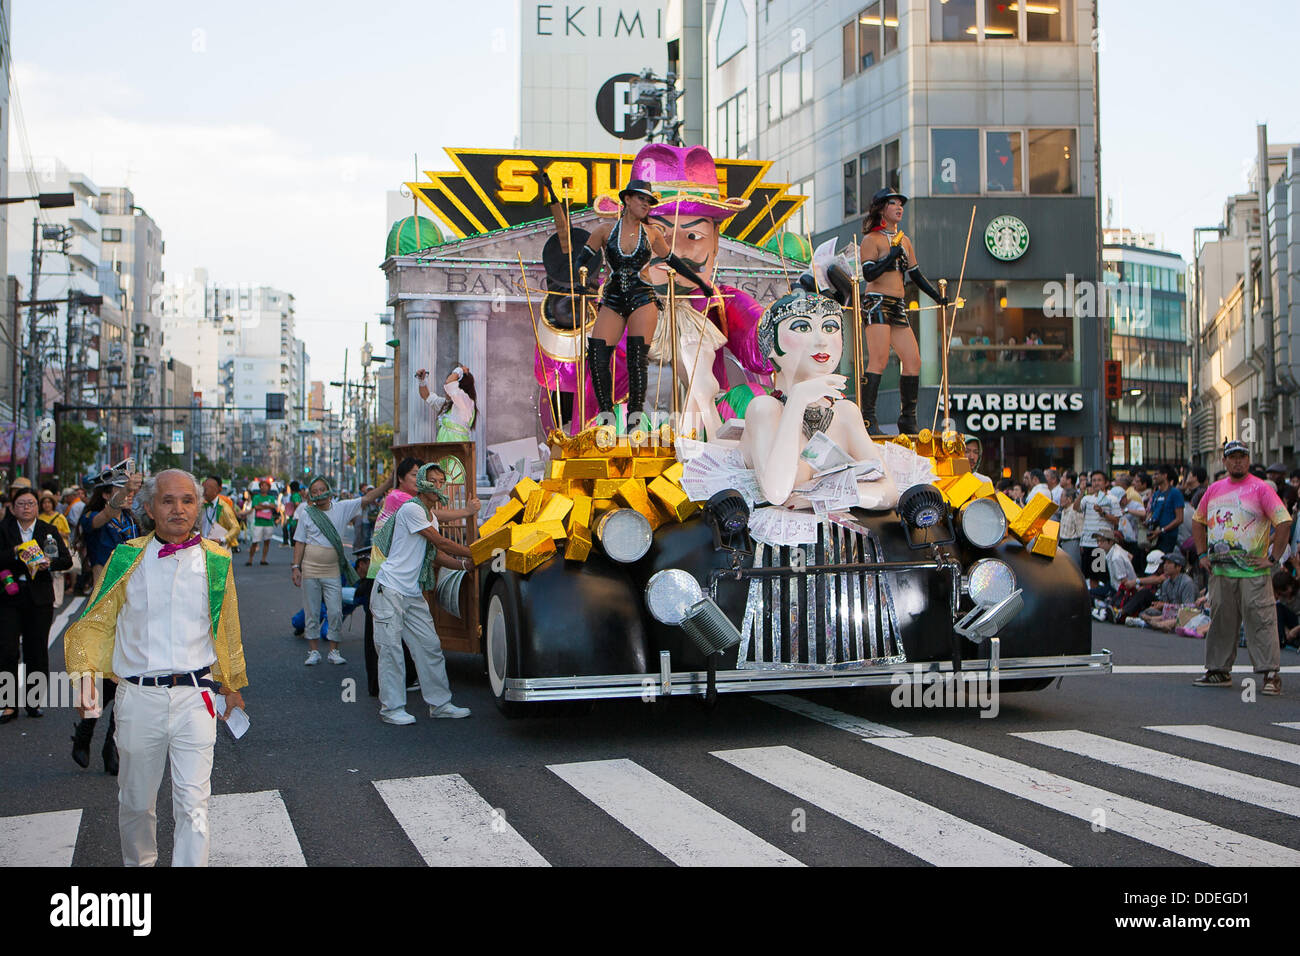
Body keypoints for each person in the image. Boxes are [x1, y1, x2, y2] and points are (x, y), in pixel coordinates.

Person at [64, 469, 247, 867]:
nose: (178, 509)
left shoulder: (217, 559)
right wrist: (86, 681)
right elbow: (97, 621)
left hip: (196, 697)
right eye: (168, 500)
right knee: (135, 802)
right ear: (149, 507)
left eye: (187, 500)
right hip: (137, 697)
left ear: (198, 507)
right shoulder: (126, 556)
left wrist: (232, 684)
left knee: (194, 804)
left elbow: (226, 625)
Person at [542, 172, 714, 433]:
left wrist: (701, 284)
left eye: (649, 201)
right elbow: (582, 259)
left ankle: (635, 419)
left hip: (642, 297)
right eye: (642, 199)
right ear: (628, 200)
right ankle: (606, 416)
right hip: (612, 298)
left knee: (637, 359)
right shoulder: (604, 231)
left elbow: (674, 263)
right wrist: (577, 280)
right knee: (598, 356)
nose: (646, 205)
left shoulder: (653, 234)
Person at [371, 463, 473, 724]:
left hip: (411, 592)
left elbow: (434, 554)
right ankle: (391, 709)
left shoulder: (431, 515)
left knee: (430, 646)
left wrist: (463, 565)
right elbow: (441, 543)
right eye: (433, 480)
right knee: (391, 650)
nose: (439, 485)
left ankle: (440, 704)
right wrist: (477, 552)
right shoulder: (412, 509)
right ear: (422, 486)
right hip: (389, 589)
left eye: (442, 481)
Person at [1192, 439, 1290, 695]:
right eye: (1232, 457)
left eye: (1242, 457)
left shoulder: (1261, 489)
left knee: (1261, 620)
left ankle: (1270, 674)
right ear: (1224, 461)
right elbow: (1198, 521)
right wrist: (1202, 553)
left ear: (1248, 460)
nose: (1237, 461)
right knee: (1221, 621)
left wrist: (1273, 557)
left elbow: (1283, 522)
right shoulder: (1213, 490)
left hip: (1253, 571)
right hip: (1220, 571)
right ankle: (1218, 670)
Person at [858, 188, 948, 435]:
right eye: (893, 204)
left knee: (913, 360)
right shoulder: (871, 240)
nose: (899, 208)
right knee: (879, 359)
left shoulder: (905, 241)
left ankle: (908, 418)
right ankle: (868, 417)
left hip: (898, 303)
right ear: (881, 209)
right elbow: (869, 274)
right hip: (875, 301)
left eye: (901, 204)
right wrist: (891, 256)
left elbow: (915, 274)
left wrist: (937, 297)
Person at [71, 475, 143, 771]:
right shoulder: (93, 519)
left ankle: (109, 744)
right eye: (120, 492)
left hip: (133, 601)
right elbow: (108, 512)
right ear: (105, 495)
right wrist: (128, 488)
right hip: (104, 604)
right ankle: (85, 732)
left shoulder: (133, 520)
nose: (127, 497)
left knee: (126, 675)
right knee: (104, 675)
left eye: (129, 492)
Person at [292, 475, 392, 666]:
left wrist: (388, 482)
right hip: (310, 568)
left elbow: (368, 498)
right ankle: (313, 651)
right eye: (314, 491)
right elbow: (300, 542)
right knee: (311, 611)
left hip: (332, 569)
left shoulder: (342, 507)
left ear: (329, 490)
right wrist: (295, 567)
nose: (319, 493)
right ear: (310, 496)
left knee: (336, 610)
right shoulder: (307, 513)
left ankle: (334, 651)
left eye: (322, 489)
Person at [0, 488, 73, 724]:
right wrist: (14, 554)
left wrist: (48, 563)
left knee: (37, 651)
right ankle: (8, 704)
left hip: (39, 597)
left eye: (31, 503)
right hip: (8, 596)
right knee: (7, 650)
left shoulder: (47, 530)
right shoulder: (4, 530)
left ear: (38, 506)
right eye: (21, 504)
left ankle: (34, 702)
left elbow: (66, 560)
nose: (26, 508)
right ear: (12, 507)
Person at [416, 364, 478, 485]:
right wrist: (422, 380)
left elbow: (449, 383)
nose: (445, 388)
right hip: (443, 455)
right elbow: (427, 396)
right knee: (439, 492)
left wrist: (460, 371)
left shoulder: (465, 402)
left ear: (460, 387)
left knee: (447, 491)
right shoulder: (447, 405)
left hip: (456, 456)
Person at [1116, 550, 1197, 624]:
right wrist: (1158, 605)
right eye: (1165, 563)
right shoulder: (1166, 582)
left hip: (1182, 613)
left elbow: (1188, 608)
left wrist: (1165, 605)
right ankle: (1141, 619)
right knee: (1147, 611)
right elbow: (1163, 601)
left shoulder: (1187, 582)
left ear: (1178, 567)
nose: (1165, 566)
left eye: (1169, 563)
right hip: (1168, 611)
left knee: (1149, 609)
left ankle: (1145, 621)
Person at [1077, 469, 1120, 586]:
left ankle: (1100, 600)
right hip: (1087, 542)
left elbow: (1117, 520)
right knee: (1089, 577)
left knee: (1099, 576)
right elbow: (1076, 508)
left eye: (1099, 480)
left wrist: (1103, 513)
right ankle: (1094, 600)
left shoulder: (1112, 499)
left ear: (1106, 483)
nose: (1096, 483)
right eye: (1094, 480)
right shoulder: (1087, 499)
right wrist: (1081, 492)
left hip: (1101, 544)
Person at [1089, 526, 1137, 620]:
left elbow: (1123, 581)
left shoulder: (1115, 557)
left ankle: (1105, 606)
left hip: (1118, 589)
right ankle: (1103, 605)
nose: (1099, 544)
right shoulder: (1116, 549)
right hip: (1113, 584)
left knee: (1089, 594)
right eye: (1098, 541)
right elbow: (1130, 556)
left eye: (1101, 541)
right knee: (1092, 592)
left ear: (1110, 542)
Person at [39, 491, 72, 607]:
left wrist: (56, 533)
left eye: (49, 502)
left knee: (58, 574)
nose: (46, 505)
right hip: (44, 549)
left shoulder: (60, 517)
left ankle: (57, 600)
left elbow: (68, 533)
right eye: (44, 502)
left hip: (58, 547)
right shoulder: (39, 517)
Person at [1147, 465, 1186, 555]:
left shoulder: (1175, 493)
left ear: (1165, 475)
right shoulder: (1156, 494)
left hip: (1168, 537)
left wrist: (1162, 530)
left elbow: (1179, 519)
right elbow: (1152, 513)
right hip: (1154, 537)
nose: (1154, 477)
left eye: (1156, 474)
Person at [243, 478, 280, 566]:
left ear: (269, 488)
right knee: (255, 542)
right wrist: (267, 506)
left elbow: (273, 506)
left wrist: (262, 505)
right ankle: (250, 559)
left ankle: (263, 559)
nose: (264, 487)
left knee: (267, 541)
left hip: (268, 522)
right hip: (258, 522)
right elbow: (256, 507)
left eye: (266, 486)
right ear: (260, 487)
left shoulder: (271, 497)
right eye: (262, 486)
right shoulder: (256, 497)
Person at [200, 476, 240, 550]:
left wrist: (222, 539)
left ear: (217, 490)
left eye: (208, 487)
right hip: (203, 546)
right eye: (203, 487)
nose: (204, 491)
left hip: (219, 548)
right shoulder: (202, 506)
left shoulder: (224, 507)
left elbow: (236, 528)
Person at [282, 480, 303, 548]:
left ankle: (292, 544)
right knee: (288, 527)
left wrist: (294, 512)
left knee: (292, 529)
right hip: (293, 515)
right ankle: (290, 543)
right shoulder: (295, 495)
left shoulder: (295, 495)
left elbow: (297, 504)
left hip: (295, 516)